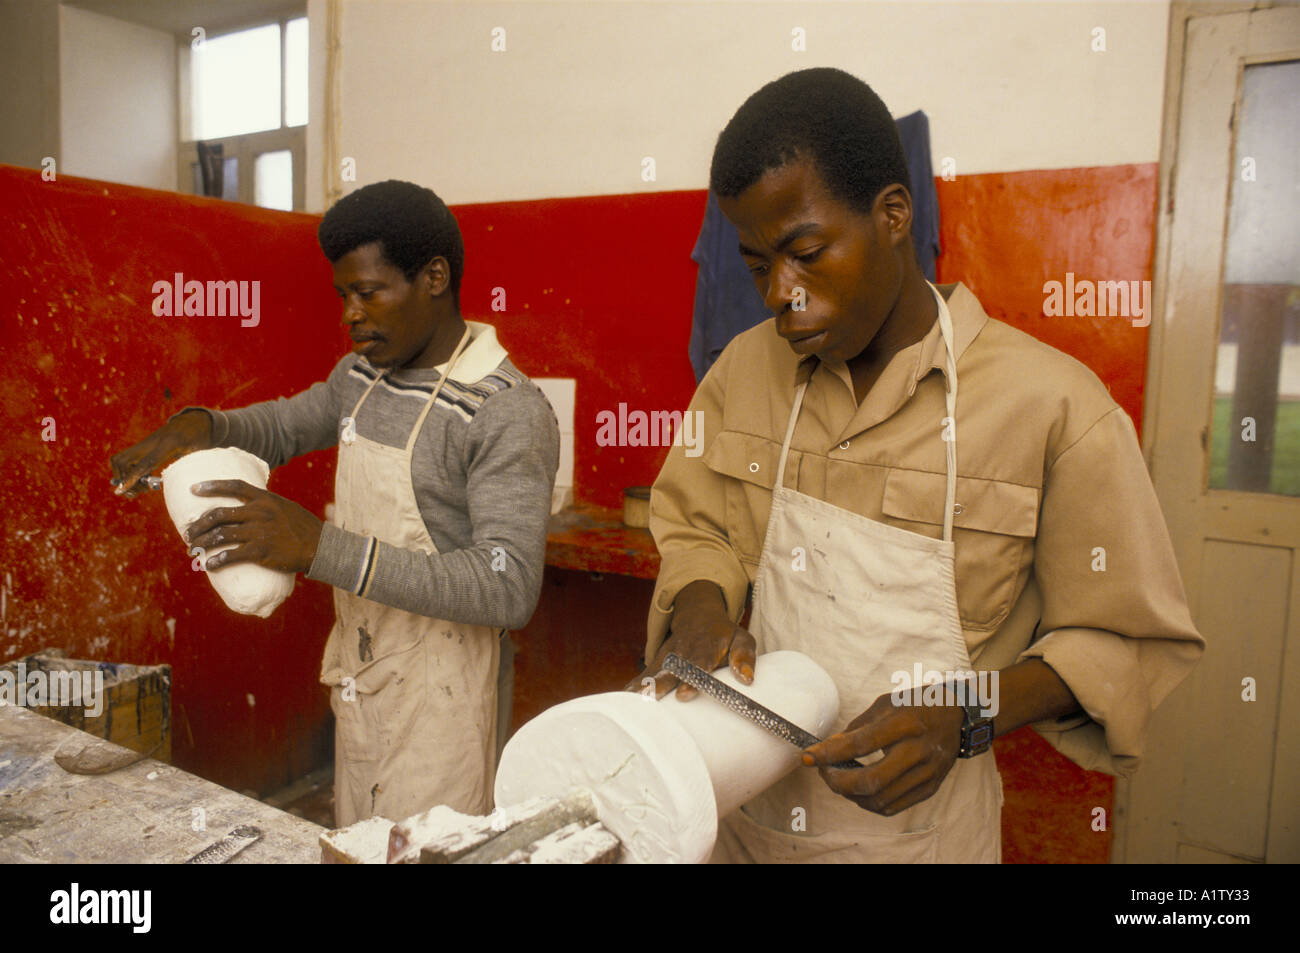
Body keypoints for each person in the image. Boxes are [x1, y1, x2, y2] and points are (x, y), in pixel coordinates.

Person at [634, 68, 1204, 863]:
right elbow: (700, 526)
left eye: (805, 253)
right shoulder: (742, 371)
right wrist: (699, 601)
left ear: (894, 216)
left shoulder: (1051, 406)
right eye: (759, 265)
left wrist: (969, 713)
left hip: (922, 838)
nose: (780, 296)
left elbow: (1124, 639)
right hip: (747, 816)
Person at [111, 180, 560, 826]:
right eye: (342, 295)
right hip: (361, 673)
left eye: (369, 292)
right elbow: (287, 425)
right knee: (356, 839)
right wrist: (202, 426)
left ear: (434, 277)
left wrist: (319, 547)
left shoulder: (504, 409)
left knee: (424, 848)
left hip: (444, 698)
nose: (350, 313)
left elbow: (508, 584)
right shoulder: (362, 376)